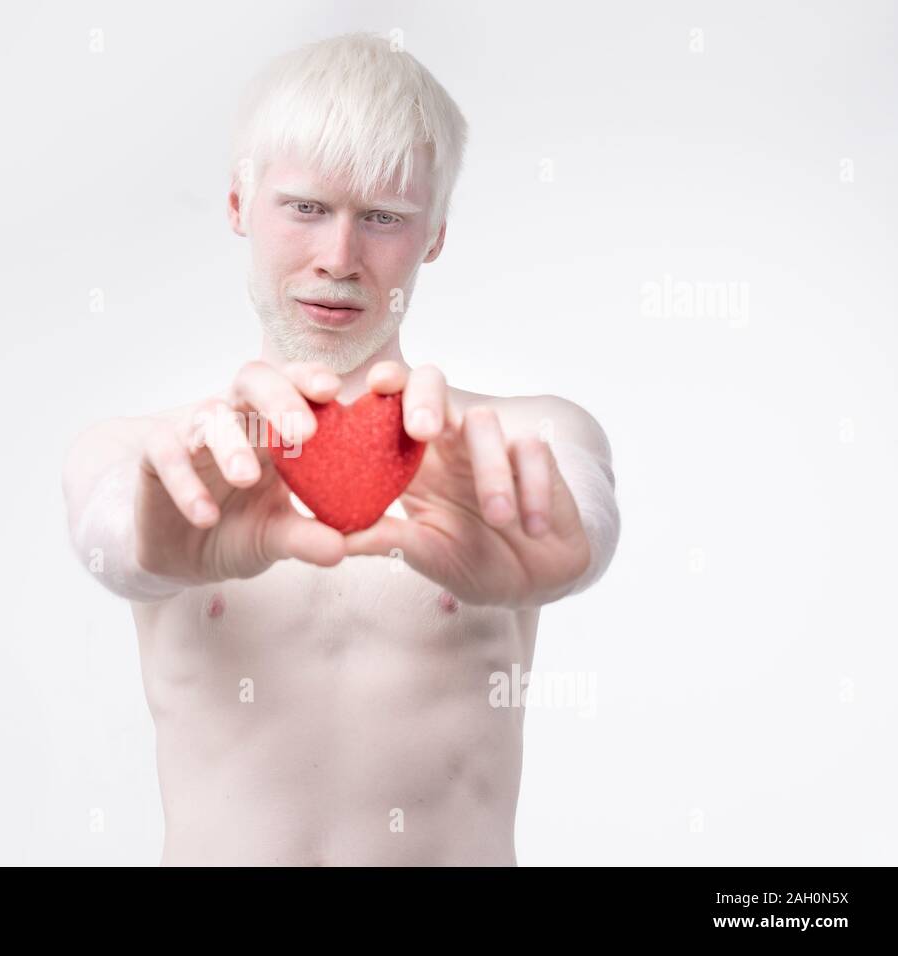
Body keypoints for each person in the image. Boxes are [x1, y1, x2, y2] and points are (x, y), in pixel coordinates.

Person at [61, 32, 620, 865]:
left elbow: (585, 524)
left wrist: (565, 557)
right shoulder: (151, 456)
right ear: (238, 207)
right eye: (306, 207)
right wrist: (156, 548)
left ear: (433, 236)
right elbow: (113, 545)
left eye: (384, 219)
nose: (339, 259)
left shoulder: (521, 442)